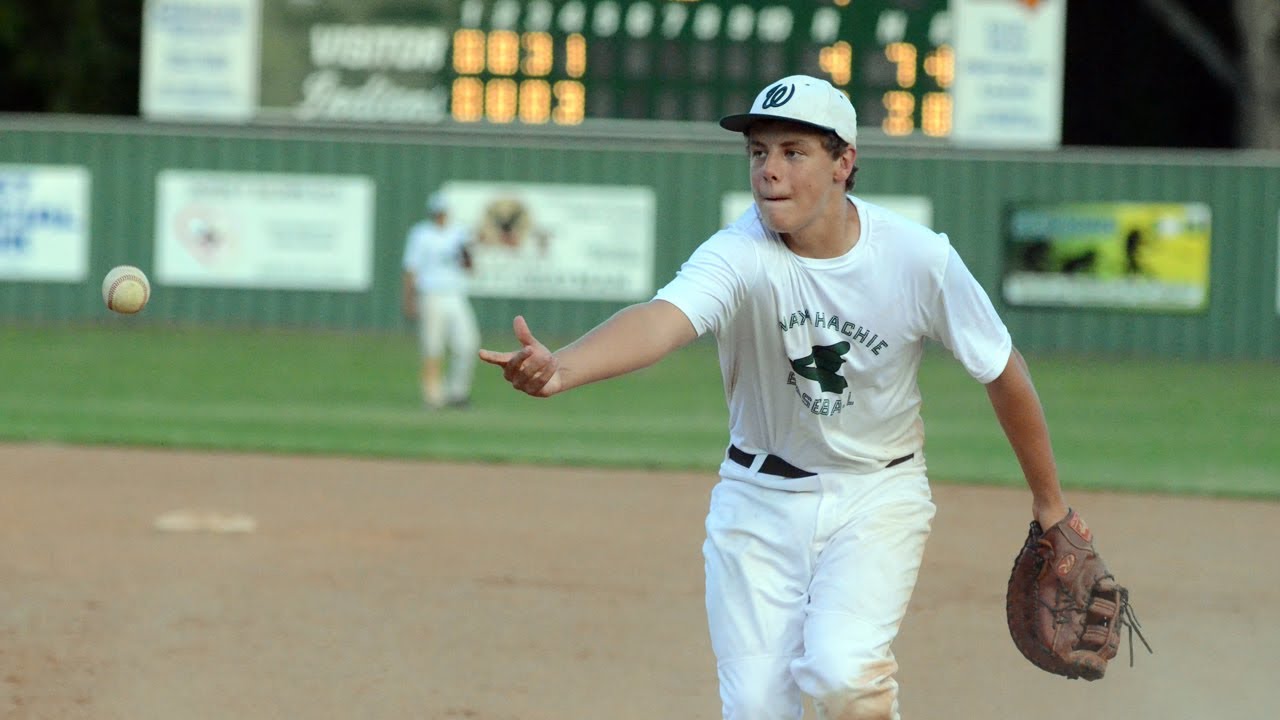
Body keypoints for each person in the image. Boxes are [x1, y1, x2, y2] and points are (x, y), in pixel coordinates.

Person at [478, 75, 1070, 719]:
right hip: (756, 504)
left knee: (843, 676)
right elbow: (661, 319)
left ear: (844, 163)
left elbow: (1001, 370)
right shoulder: (740, 253)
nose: (770, 171)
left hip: (878, 496)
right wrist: (562, 367)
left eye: (794, 152)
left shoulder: (918, 259)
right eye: (759, 152)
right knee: (761, 712)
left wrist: (1050, 503)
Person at [402, 191, 480, 409]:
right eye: (438, 213)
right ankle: (433, 397)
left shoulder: (460, 233)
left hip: (455, 294)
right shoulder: (421, 234)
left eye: (444, 212)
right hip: (431, 294)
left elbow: (470, 267)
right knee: (432, 347)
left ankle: (457, 392)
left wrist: (468, 254)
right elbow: (410, 269)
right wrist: (408, 299)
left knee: (467, 344)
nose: (441, 216)